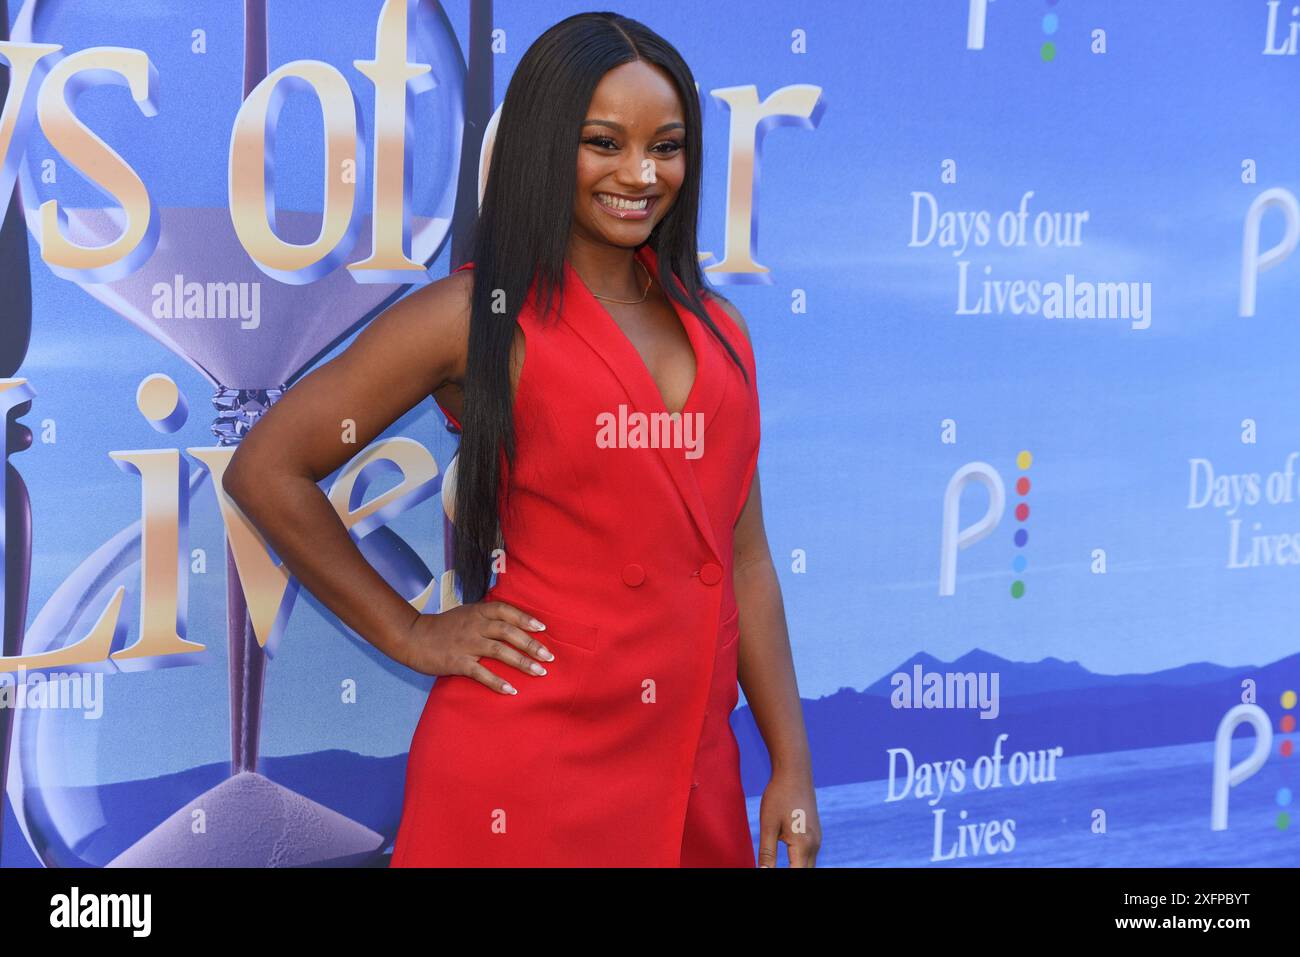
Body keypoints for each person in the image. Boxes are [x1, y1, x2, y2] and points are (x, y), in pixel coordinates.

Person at [223, 10, 819, 867]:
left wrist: (791, 765)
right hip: (525, 777)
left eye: (668, 145)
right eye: (603, 142)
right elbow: (267, 466)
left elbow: (746, 559)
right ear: (544, 143)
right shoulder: (474, 316)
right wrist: (410, 632)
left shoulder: (723, 331)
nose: (640, 173)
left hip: (694, 779)